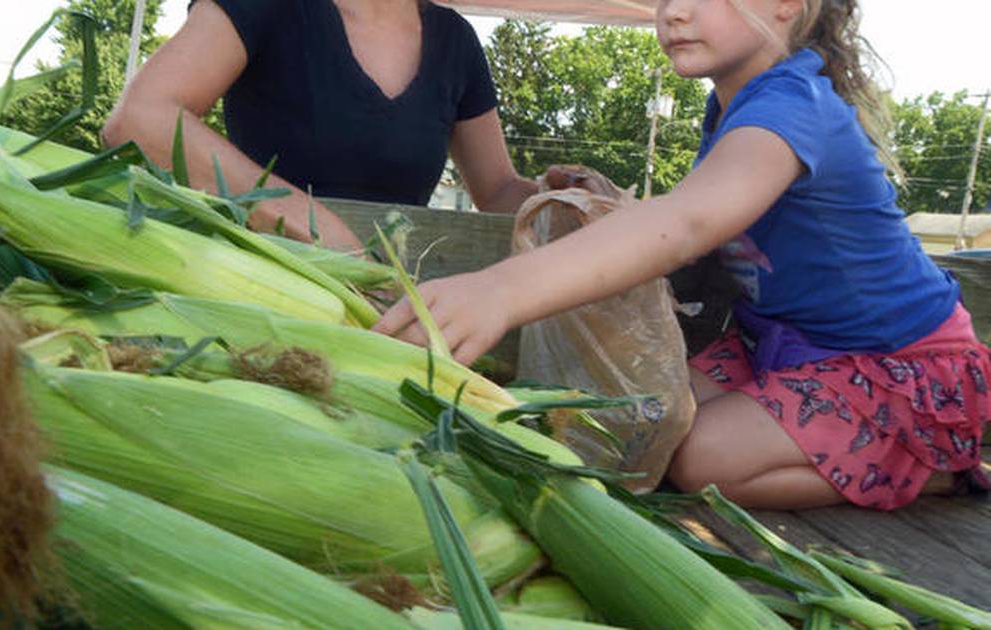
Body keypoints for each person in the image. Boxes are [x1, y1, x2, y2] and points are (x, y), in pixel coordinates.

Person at [374, 0, 990, 511]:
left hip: (896, 364)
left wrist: (500, 291)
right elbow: (700, 208)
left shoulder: (793, 105)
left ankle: (933, 464)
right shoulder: (737, 105)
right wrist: (615, 206)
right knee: (640, 415)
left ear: (786, 5)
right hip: (786, 350)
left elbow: (689, 222)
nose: (675, 12)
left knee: (703, 460)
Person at [101, 0, 538, 253]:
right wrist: (322, 232)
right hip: (258, 281)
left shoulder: (455, 40)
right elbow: (140, 119)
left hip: (387, 309)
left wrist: (562, 198)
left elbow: (497, 190)